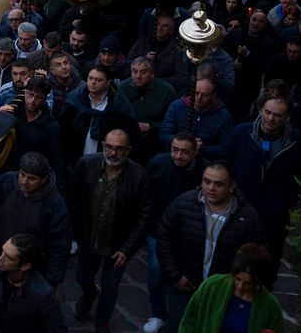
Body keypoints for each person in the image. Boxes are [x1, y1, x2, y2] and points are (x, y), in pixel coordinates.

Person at [156, 163, 266, 331]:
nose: (210, 188)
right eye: (206, 181)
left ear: (232, 187)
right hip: (184, 284)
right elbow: (164, 238)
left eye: (218, 184)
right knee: (179, 324)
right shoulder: (183, 204)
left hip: (223, 291)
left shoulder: (248, 217)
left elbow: (257, 256)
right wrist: (175, 275)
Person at [69, 129, 155, 332]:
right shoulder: (86, 164)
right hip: (88, 239)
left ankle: (102, 321)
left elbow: (144, 217)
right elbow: (72, 198)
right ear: (103, 146)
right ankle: (89, 294)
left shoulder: (139, 176)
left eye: (119, 149)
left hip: (117, 246)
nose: (113, 153)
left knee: (110, 287)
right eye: (109, 147)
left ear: (128, 150)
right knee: (82, 277)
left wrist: (127, 249)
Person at [225, 94, 301, 278]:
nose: (270, 118)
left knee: (267, 263)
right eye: (268, 112)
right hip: (239, 207)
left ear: (287, 117)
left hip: (274, 214)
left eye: (277, 115)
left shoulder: (297, 143)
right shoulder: (241, 134)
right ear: (260, 110)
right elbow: (226, 163)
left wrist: (288, 198)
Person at [142, 133, 205, 333]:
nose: (178, 156)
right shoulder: (158, 164)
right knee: (155, 271)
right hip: (158, 231)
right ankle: (158, 313)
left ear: (195, 152)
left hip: (190, 234)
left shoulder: (205, 171)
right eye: (175, 150)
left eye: (185, 152)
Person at [0, 152, 71, 288]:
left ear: (44, 180)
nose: (24, 182)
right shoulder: (8, 181)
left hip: (25, 272)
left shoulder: (56, 205)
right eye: (22, 175)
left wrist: (51, 282)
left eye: (32, 178)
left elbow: (59, 246)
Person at [179, 243, 285, 333]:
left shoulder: (270, 306)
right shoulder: (213, 286)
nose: (240, 286)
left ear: (257, 282)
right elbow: (189, 320)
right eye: (237, 279)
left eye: (247, 283)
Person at [0, 234, 67, 333]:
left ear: (25, 266)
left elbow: (57, 328)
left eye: (9, 258)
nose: (1, 258)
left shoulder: (43, 294)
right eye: (2, 251)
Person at [59, 65, 139, 159]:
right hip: (76, 157)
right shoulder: (75, 100)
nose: (93, 82)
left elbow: (130, 137)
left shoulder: (119, 106)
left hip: (108, 159)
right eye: (90, 78)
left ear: (108, 82)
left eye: (98, 80)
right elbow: (63, 132)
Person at [118, 57, 177, 164]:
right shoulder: (122, 88)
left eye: (143, 72)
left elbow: (174, 122)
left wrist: (151, 126)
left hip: (155, 143)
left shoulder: (167, 91)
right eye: (134, 72)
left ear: (152, 74)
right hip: (126, 141)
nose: (137, 76)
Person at [0, 76, 64, 176]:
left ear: (44, 99)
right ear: (24, 92)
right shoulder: (12, 113)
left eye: (38, 97)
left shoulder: (50, 126)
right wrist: (0, 116)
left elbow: (56, 158)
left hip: (31, 175)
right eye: (30, 95)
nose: (33, 101)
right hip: (7, 172)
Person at [159, 77, 233, 160]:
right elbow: (164, 136)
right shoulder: (176, 107)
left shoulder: (223, 116)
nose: (199, 98)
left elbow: (225, 148)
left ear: (213, 95)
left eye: (204, 95)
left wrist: (201, 148)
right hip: (175, 157)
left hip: (205, 161)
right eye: (196, 93)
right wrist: (185, 143)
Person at [47, 51, 84, 122]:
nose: (64, 67)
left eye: (65, 63)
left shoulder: (83, 87)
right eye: (58, 65)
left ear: (70, 65)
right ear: (52, 70)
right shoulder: (47, 86)